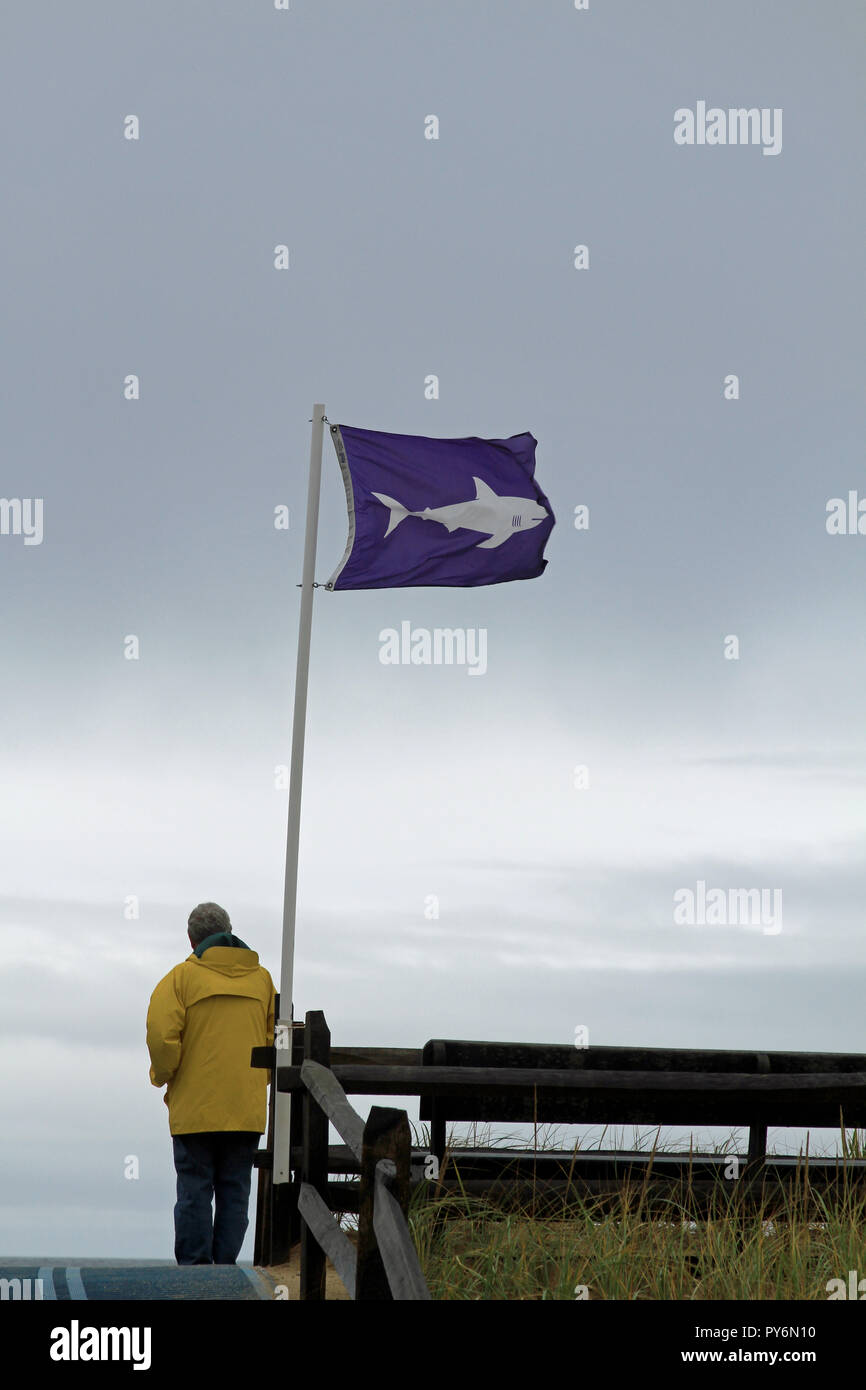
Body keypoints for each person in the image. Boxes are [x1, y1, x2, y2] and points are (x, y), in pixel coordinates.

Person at [146, 902, 275, 1265]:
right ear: (229, 930)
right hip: (245, 1109)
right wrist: (256, 1081)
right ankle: (225, 1273)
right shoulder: (262, 980)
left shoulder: (179, 980)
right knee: (235, 1191)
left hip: (195, 1109)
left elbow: (161, 1037)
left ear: (191, 939)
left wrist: (163, 1075)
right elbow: (274, 1040)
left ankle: (194, 1274)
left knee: (194, 1190)